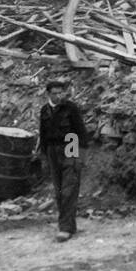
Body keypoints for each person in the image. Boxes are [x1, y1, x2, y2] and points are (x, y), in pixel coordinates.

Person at [37, 79, 89, 242]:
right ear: (48, 94)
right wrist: (43, 154)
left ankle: (65, 228)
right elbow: (43, 134)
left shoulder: (70, 108)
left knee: (69, 188)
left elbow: (81, 132)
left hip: (70, 145)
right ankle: (68, 224)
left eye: (61, 93)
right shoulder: (44, 111)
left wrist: (79, 156)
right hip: (53, 150)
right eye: (55, 93)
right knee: (59, 190)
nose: (59, 96)